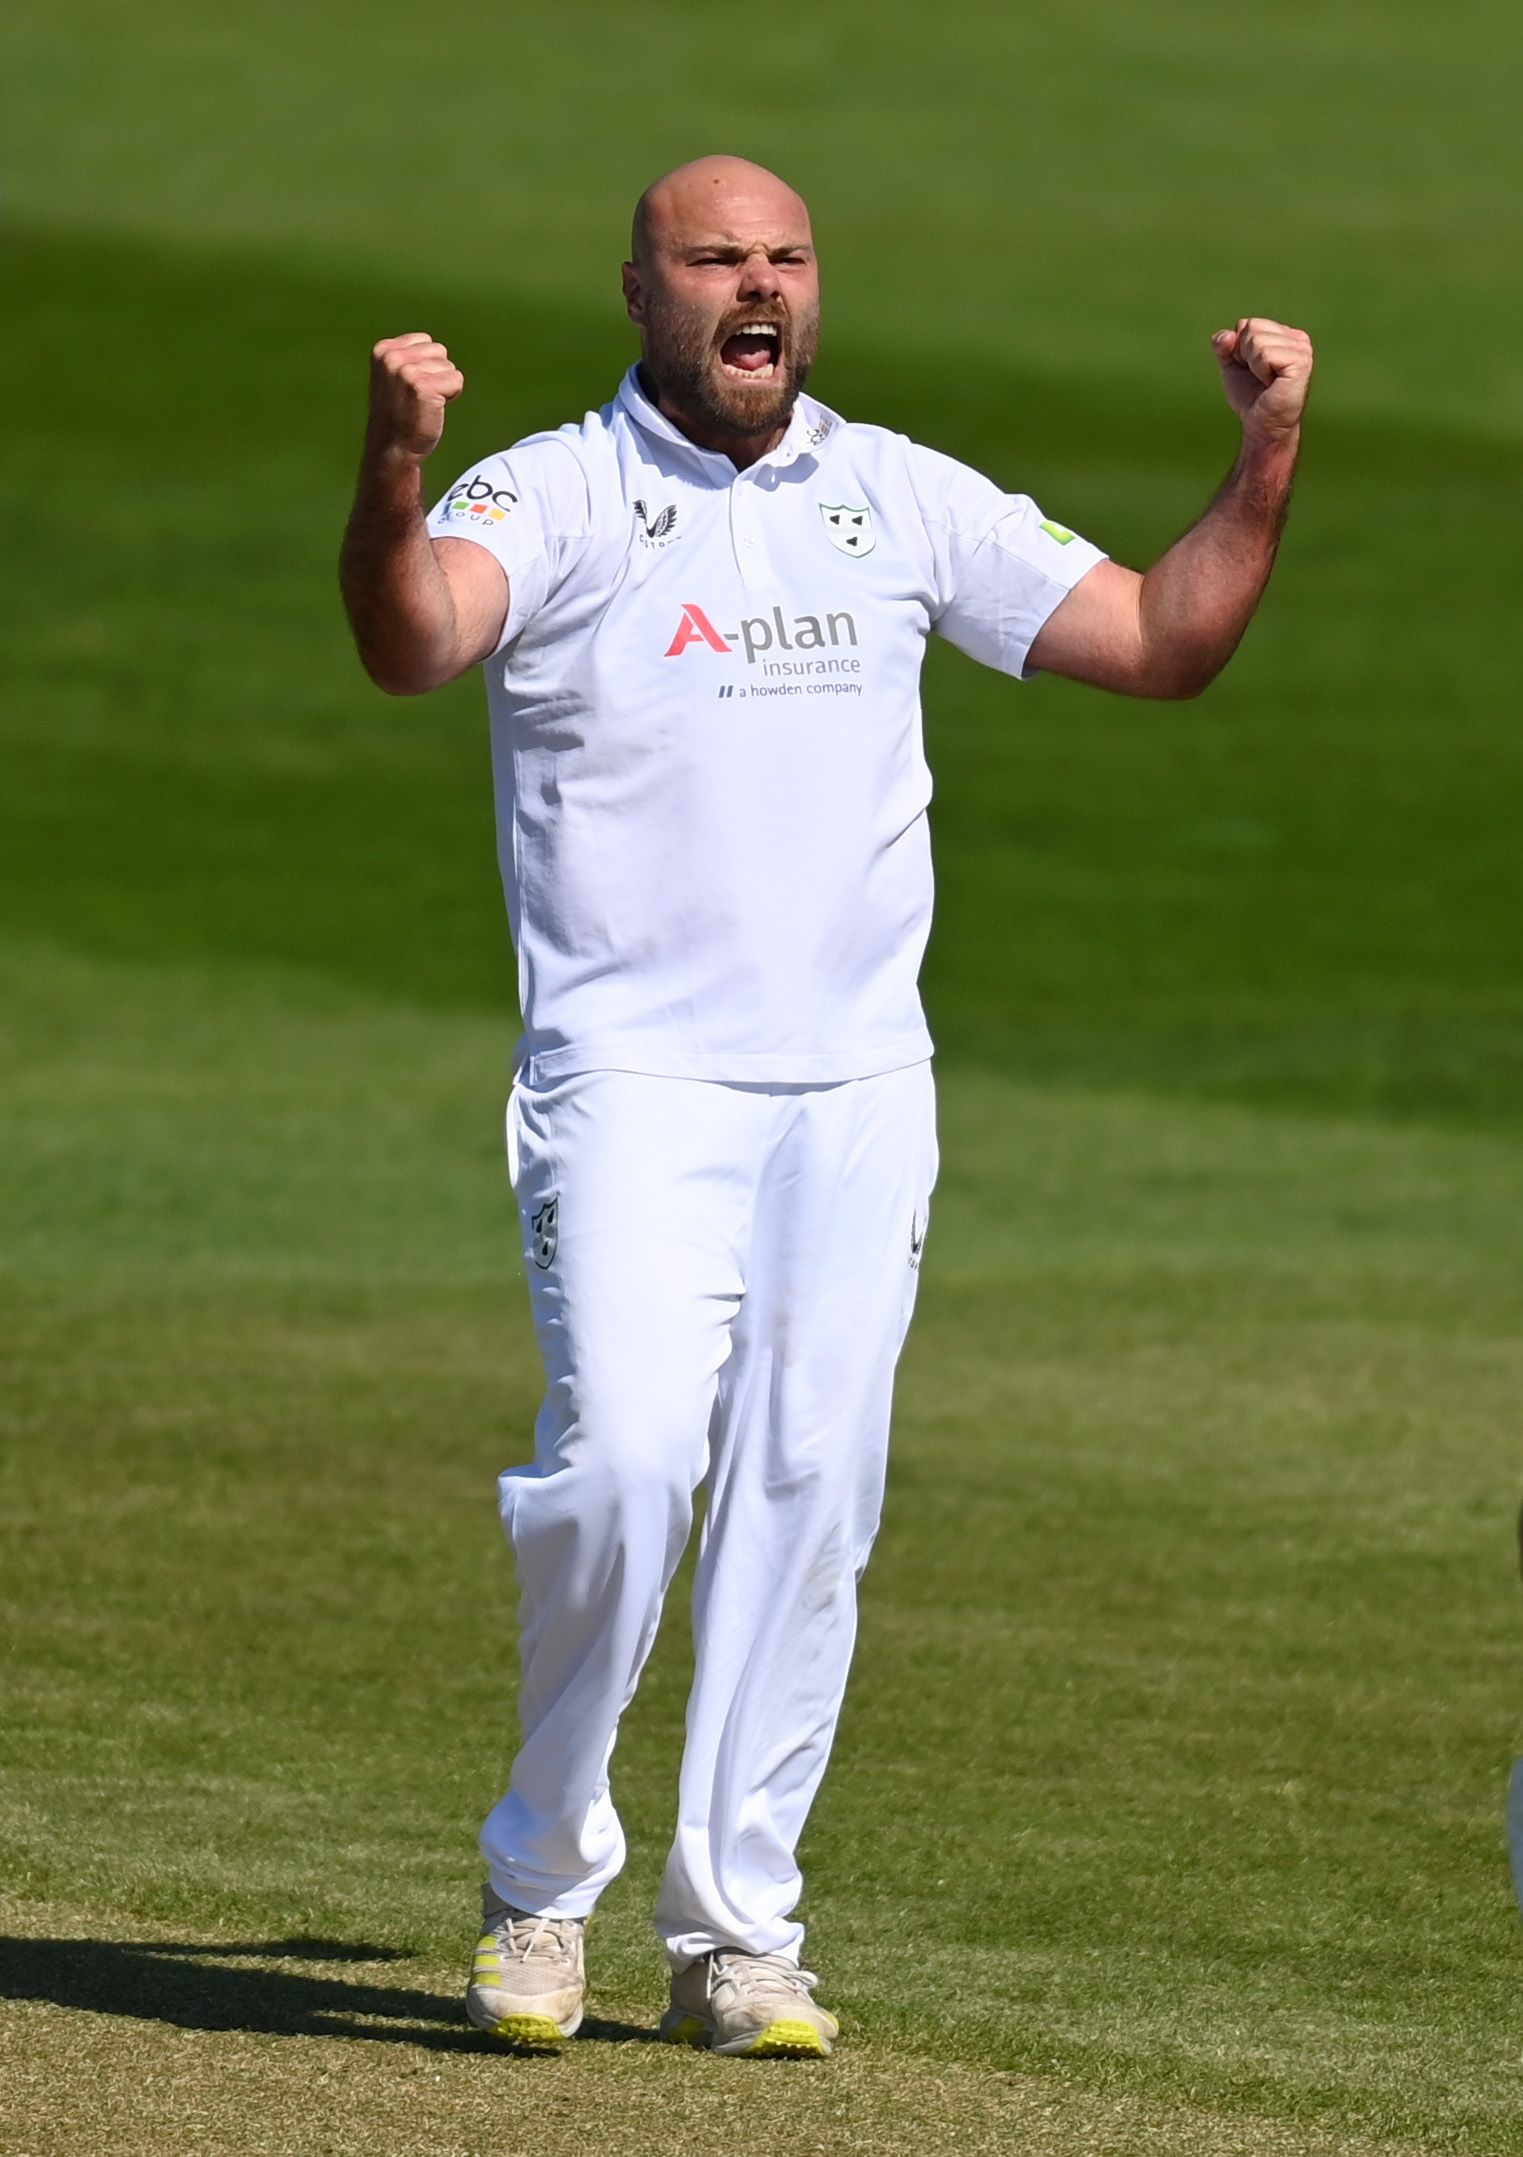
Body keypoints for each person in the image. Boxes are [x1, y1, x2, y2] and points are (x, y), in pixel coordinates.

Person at [338, 154, 1313, 2059]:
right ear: (642, 291)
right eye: (715, 258)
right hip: (631, 1078)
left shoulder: (898, 494)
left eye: (784, 257)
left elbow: (1160, 641)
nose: (757, 286)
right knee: (625, 1466)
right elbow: (411, 639)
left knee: (807, 1496)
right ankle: (541, 1880)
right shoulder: (554, 490)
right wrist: (391, 467)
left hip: (858, 1087)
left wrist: (1267, 447)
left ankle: (737, 1933)